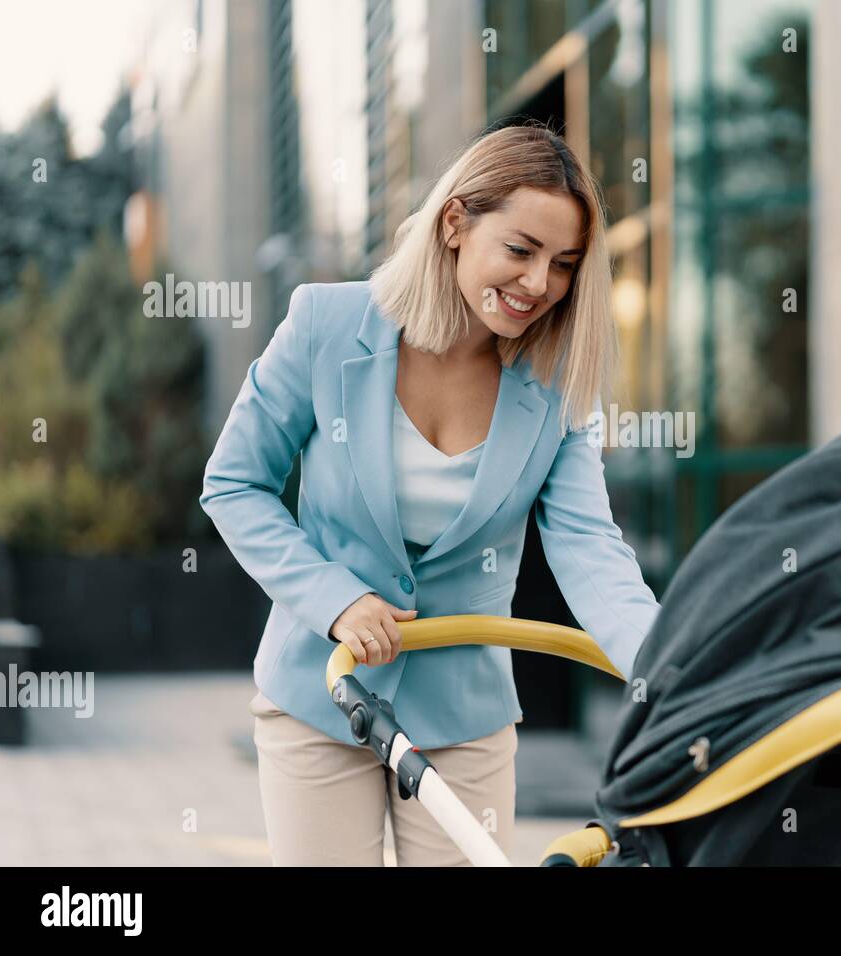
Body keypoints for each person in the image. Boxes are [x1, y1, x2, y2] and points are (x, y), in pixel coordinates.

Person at [199, 122, 660, 865]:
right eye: (520, 250)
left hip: (465, 722)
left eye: (565, 264)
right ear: (455, 224)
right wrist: (334, 600)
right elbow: (234, 483)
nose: (539, 284)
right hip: (321, 702)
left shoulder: (559, 381)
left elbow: (589, 547)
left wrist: (666, 661)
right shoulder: (328, 324)